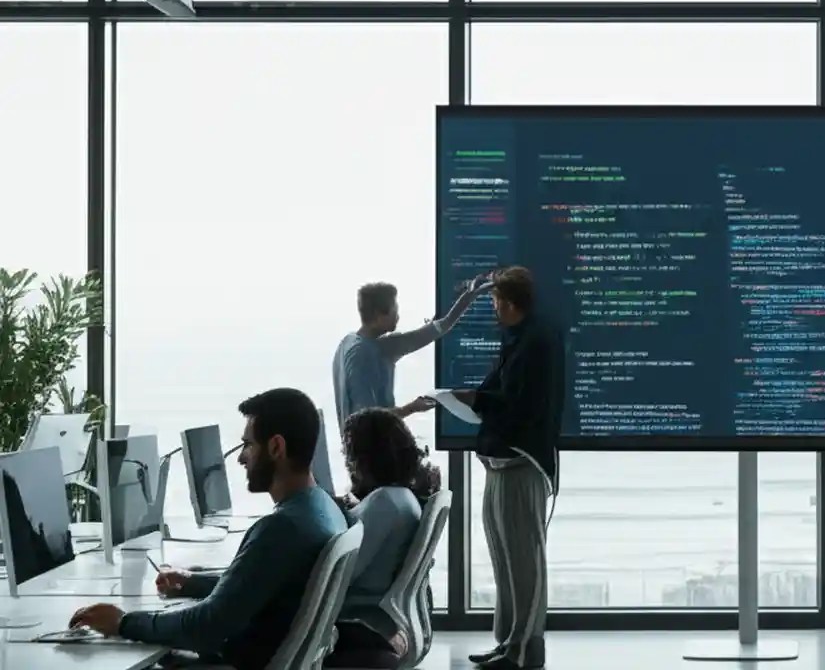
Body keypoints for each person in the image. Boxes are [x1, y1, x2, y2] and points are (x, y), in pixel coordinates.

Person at [68, 388, 348, 670]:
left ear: (276, 447)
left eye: (248, 445)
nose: (241, 458)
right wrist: (193, 582)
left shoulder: (282, 528)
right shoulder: (323, 508)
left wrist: (123, 622)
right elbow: (256, 588)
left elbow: (207, 626)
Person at [453, 266, 564, 670]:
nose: (493, 308)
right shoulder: (518, 337)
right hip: (501, 460)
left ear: (511, 302)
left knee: (524, 560)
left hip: (521, 461)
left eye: (496, 300)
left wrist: (475, 399)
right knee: (505, 557)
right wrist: (477, 397)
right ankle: (508, 643)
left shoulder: (537, 341)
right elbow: (503, 390)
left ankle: (523, 650)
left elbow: (520, 404)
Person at [326, 407, 429, 669]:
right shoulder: (401, 496)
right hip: (386, 613)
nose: (347, 459)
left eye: (350, 452)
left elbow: (342, 575)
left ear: (365, 456)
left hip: (359, 615)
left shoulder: (384, 503)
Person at [333, 278, 491, 426]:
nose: (398, 315)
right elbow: (366, 418)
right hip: (370, 451)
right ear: (378, 315)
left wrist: (471, 294)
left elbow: (441, 326)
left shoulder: (353, 343)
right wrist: (411, 408)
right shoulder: (362, 355)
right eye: (395, 309)